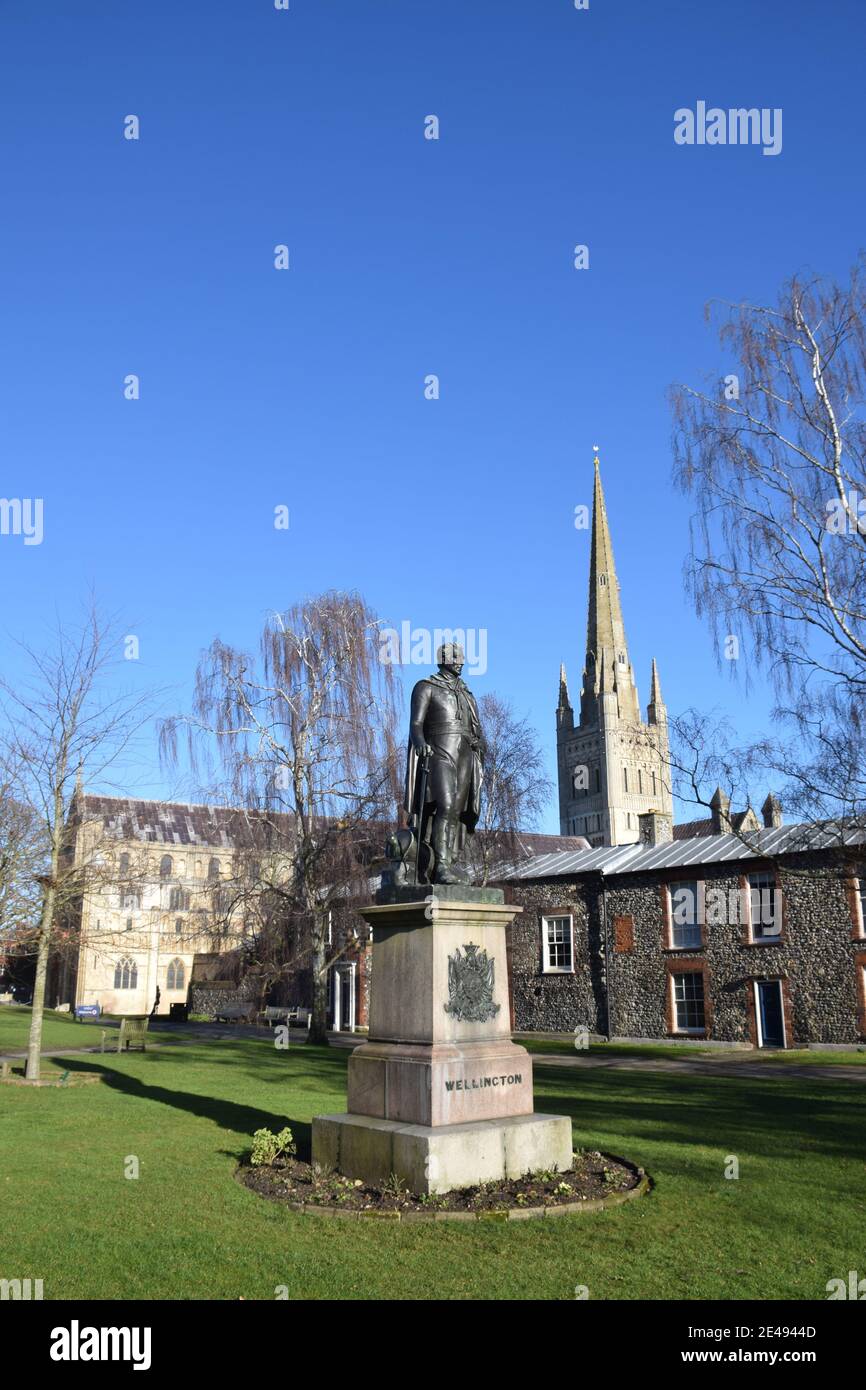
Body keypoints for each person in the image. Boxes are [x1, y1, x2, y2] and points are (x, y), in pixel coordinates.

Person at [403, 642, 483, 884]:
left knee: (457, 812)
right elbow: (416, 725)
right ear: (443, 659)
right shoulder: (426, 687)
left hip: (465, 755)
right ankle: (441, 867)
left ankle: (449, 861)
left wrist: (479, 745)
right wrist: (420, 744)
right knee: (445, 805)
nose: (461, 661)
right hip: (439, 751)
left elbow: (475, 729)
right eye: (456, 656)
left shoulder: (467, 694)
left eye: (462, 656)